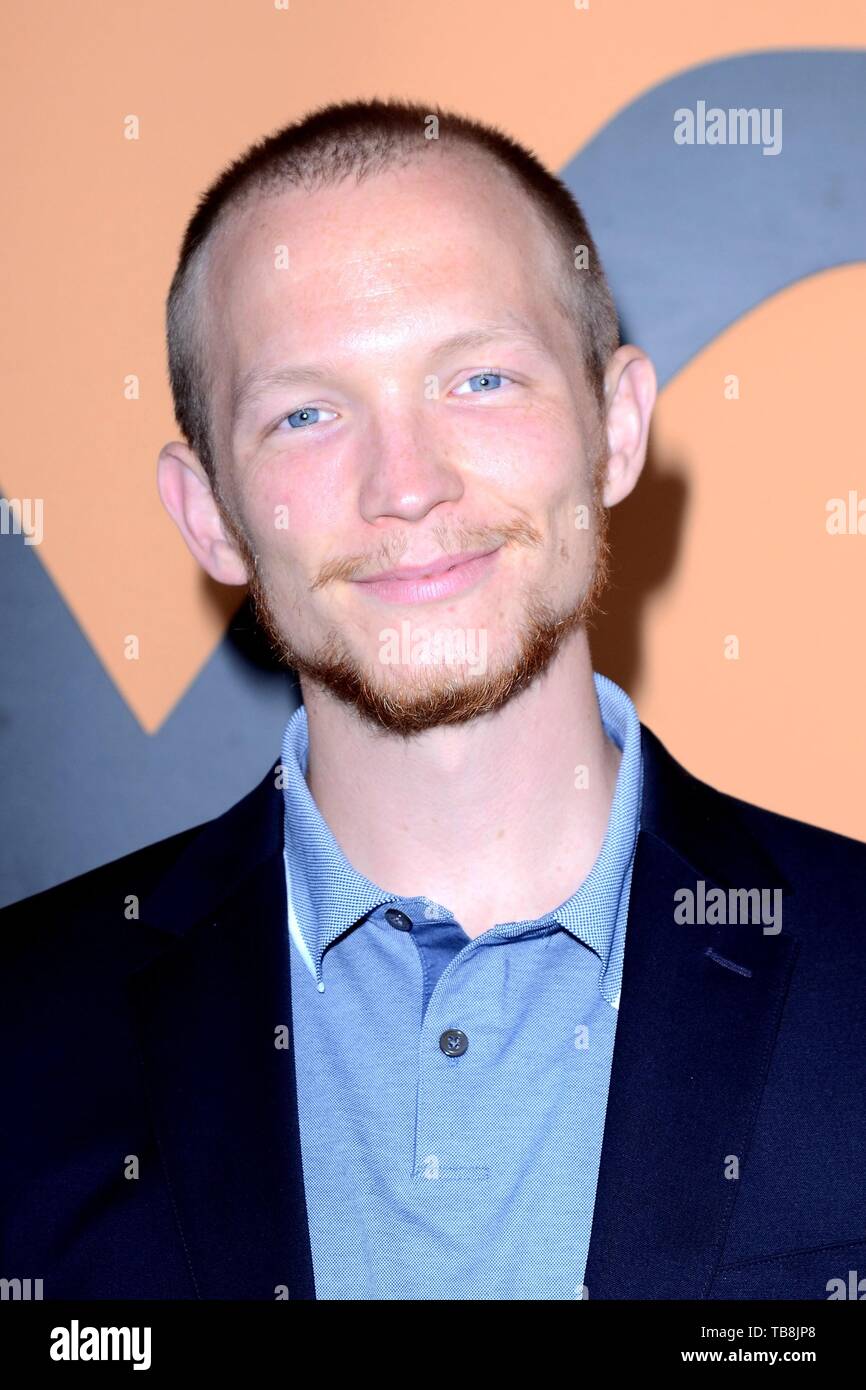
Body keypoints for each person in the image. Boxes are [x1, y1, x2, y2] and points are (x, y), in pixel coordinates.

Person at [2, 98, 865, 1302]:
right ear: (209, 516)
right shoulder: (19, 1034)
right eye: (305, 412)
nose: (404, 485)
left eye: (478, 378)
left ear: (614, 431)